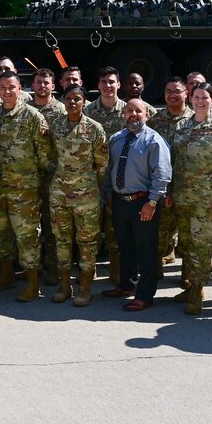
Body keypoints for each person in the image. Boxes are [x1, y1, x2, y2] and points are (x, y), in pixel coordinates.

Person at [170, 82, 212, 314]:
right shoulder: (181, 126)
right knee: (186, 243)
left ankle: (198, 291)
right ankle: (191, 285)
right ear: (190, 99)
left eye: (204, 97)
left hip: (207, 199)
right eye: (196, 97)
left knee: (201, 245)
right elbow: (174, 161)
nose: (199, 101)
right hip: (183, 196)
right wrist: (170, 191)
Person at [0, 71, 52, 302]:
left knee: (28, 236)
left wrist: (33, 179)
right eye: (3, 87)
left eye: (11, 87)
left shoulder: (32, 116)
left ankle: (33, 282)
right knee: (1, 233)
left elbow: (44, 155)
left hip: (25, 189)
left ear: (20, 88)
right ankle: (6, 275)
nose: (7, 91)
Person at [103, 99, 172, 311]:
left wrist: (151, 202)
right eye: (129, 110)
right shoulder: (116, 138)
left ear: (146, 115)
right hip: (120, 201)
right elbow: (110, 168)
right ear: (123, 114)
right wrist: (109, 196)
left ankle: (145, 295)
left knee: (147, 250)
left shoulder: (154, 141)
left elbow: (162, 175)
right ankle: (127, 284)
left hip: (143, 202)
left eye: (138, 111)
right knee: (125, 246)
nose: (133, 114)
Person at [48, 85, 108, 306]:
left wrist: (96, 191)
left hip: (86, 196)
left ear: (84, 102)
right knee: (62, 240)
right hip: (59, 194)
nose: (72, 103)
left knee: (87, 242)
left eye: (77, 99)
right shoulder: (56, 126)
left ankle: (85, 287)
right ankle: (65, 286)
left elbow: (102, 165)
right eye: (68, 99)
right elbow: (52, 156)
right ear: (63, 101)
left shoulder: (94, 129)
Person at [86, 65, 127, 285]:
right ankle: (89, 266)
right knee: (90, 226)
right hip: (92, 178)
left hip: (119, 178)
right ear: (98, 85)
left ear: (119, 84)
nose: (108, 86)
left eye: (112, 82)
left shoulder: (128, 111)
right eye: (104, 82)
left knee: (114, 225)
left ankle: (115, 267)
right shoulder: (88, 112)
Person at [148, 77, 191, 269]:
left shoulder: (195, 120)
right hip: (161, 185)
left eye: (177, 91)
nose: (173, 95)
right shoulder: (155, 121)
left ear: (186, 94)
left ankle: (187, 275)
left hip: (187, 185)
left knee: (187, 232)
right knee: (159, 229)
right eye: (168, 91)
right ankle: (156, 267)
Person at [30, 66, 65, 284]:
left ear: (53, 86)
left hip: (53, 176)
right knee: (30, 223)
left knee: (53, 224)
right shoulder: (25, 109)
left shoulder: (61, 110)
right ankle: (32, 266)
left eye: (46, 83)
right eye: (38, 82)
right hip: (28, 175)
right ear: (32, 85)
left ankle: (53, 265)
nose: (42, 86)